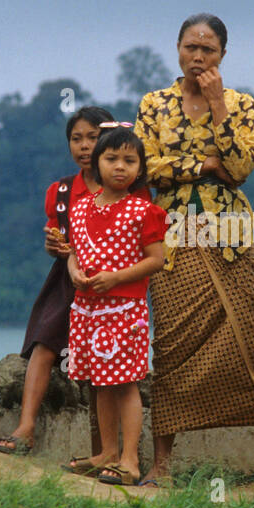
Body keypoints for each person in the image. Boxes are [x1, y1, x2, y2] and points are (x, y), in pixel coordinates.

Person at [133, 13, 254, 485]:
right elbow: (145, 167)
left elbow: (240, 168)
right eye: (190, 47)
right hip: (172, 235)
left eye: (209, 50)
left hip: (229, 236)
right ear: (177, 48)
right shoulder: (154, 104)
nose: (198, 57)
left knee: (250, 338)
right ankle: (162, 464)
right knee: (173, 345)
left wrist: (218, 106)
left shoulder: (240, 104)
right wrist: (202, 164)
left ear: (223, 55)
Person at [0, 108, 149, 455]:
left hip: (113, 287)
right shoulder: (62, 192)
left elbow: (146, 248)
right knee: (44, 343)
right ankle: (26, 427)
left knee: (104, 367)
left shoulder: (131, 193)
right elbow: (60, 241)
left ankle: (107, 451)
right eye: (76, 138)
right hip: (69, 279)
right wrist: (56, 248)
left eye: (93, 138)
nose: (84, 146)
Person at [62, 124, 167, 485]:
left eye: (129, 160)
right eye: (112, 159)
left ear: (140, 168)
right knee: (99, 383)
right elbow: (74, 253)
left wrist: (117, 278)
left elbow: (156, 260)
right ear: (96, 163)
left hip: (124, 310)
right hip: (87, 309)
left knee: (125, 384)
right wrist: (74, 270)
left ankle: (130, 460)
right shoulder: (78, 209)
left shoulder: (144, 210)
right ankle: (107, 453)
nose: (120, 167)